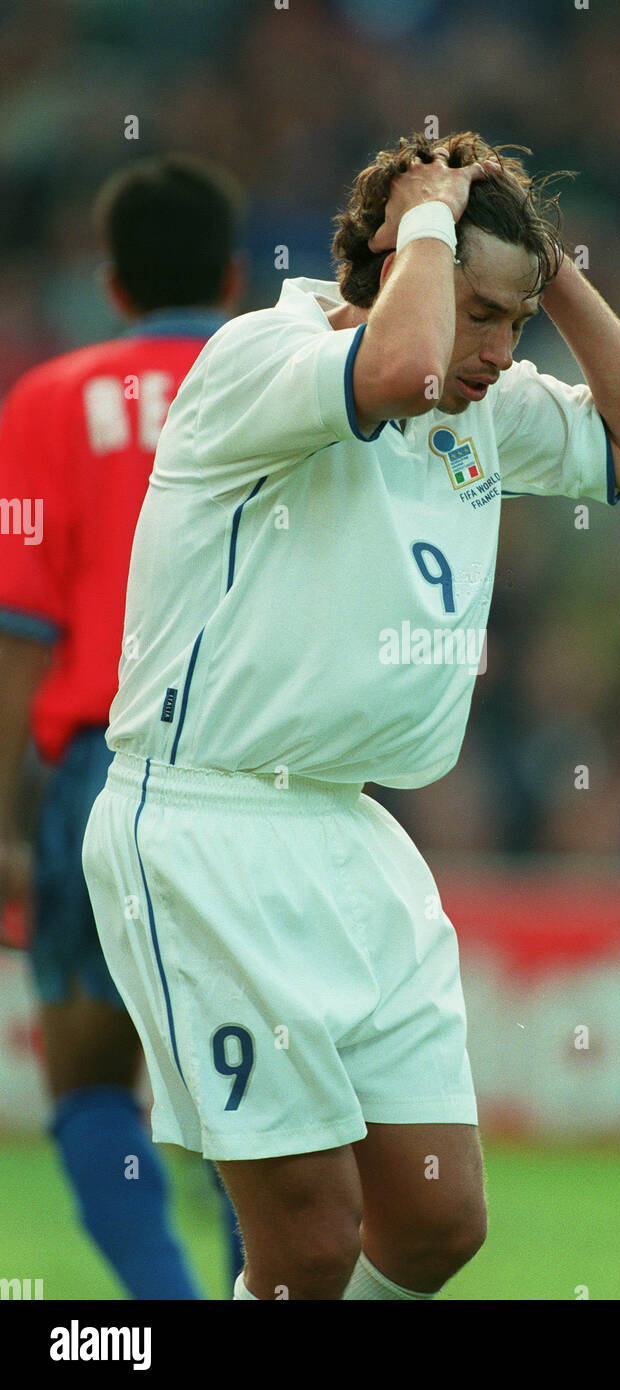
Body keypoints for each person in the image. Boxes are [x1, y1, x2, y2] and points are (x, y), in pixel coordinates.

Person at [81, 130, 620, 1301]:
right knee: (306, 1244)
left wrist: (546, 265)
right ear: (391, 251)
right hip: (208, 824)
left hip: (353, 840)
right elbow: (398, 367)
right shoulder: (259, 354)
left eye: (514, 320)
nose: (497, 352)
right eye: (480, 312)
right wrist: (428, 220)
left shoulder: (482, 402)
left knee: (433, 1225)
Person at [0, 154, 246, 1298]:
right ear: (236, 276)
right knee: (268, 1078)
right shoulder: (287, 382)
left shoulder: (50, 400)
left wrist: (9, 813)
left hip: (100, 765)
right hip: (264, 765)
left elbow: (19, 629)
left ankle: (165, 1306)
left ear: (111, 285)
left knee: (92, 1071)